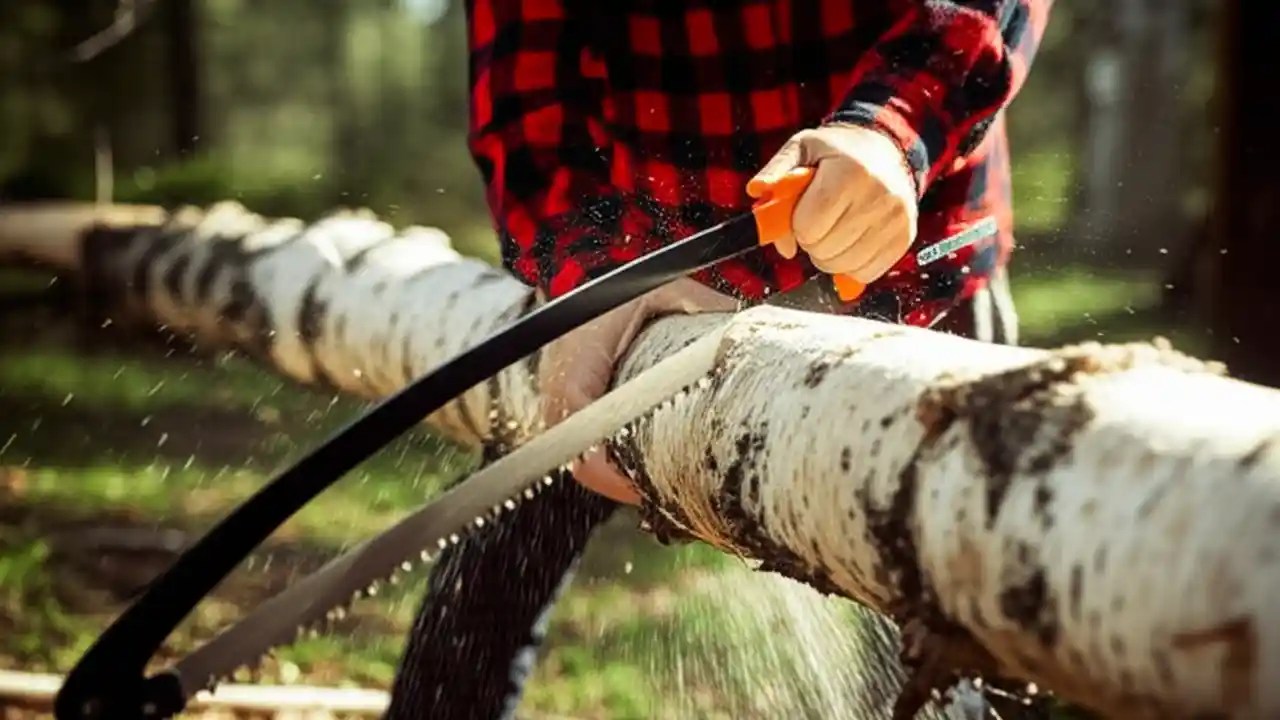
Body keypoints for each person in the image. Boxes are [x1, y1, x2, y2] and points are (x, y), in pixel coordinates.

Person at [386, 1, 1053, 718]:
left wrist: (891, 128)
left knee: (973, 601)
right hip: (649, 277)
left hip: (911, 246)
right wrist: (592, 273)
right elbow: (526, 93)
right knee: (497, 569)